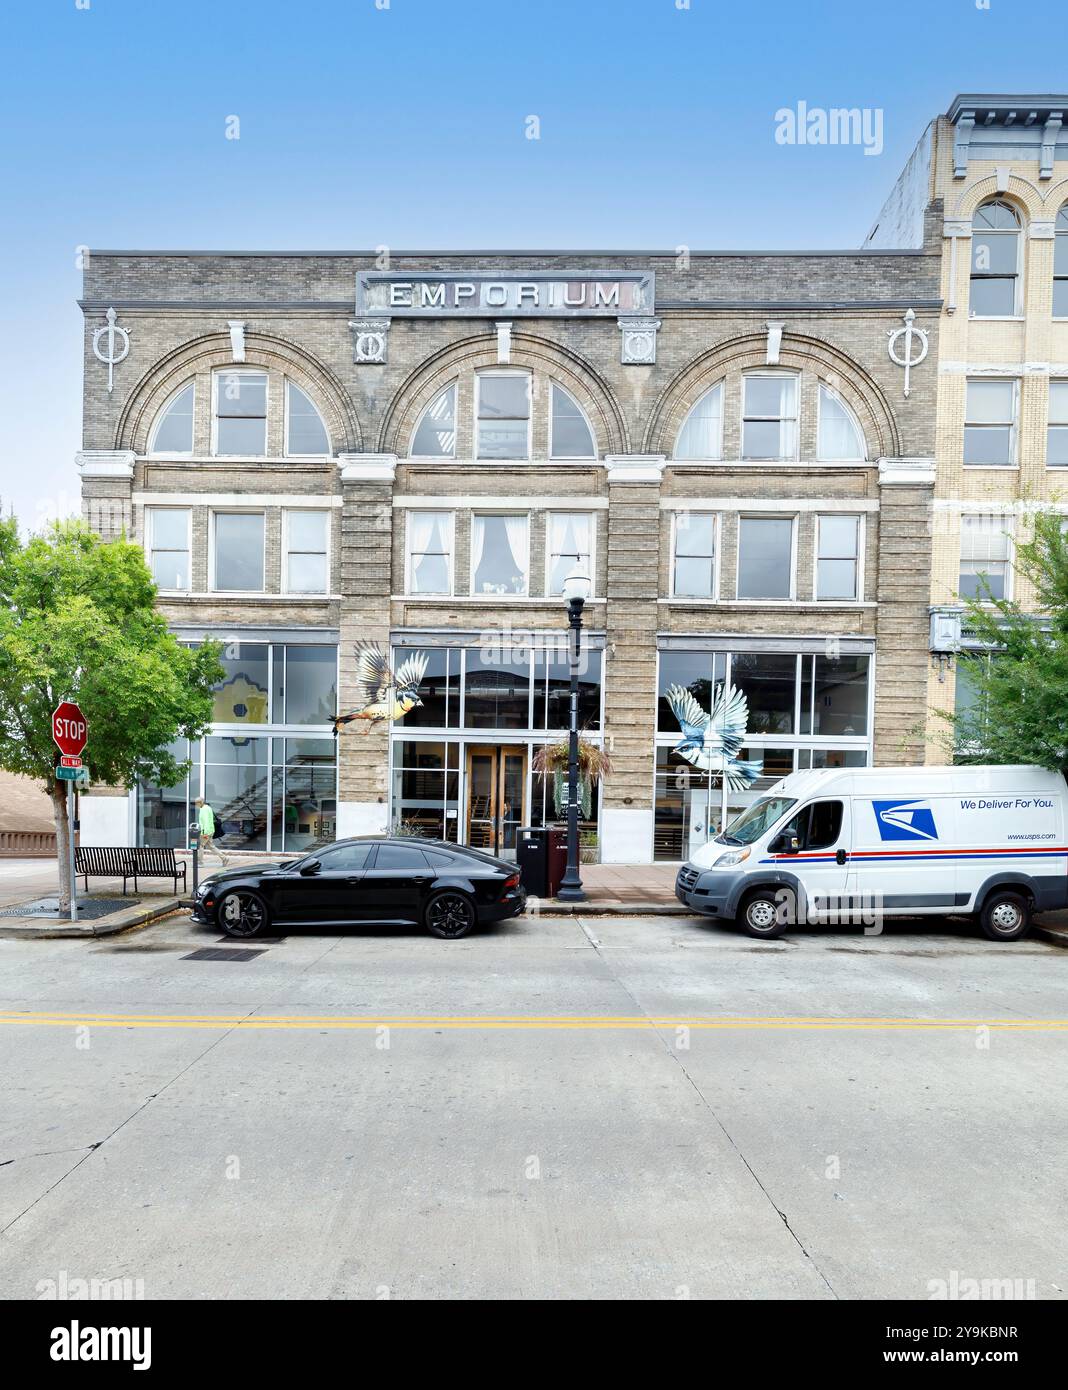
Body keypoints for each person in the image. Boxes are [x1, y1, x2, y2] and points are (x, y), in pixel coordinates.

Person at [195, 797, 226, 865]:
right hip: (211, 830)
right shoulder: (208, 807)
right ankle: (224, 858)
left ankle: (199, 861)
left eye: (196, 803)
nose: (196, 805)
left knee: (201, 845)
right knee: (211, 846)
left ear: (200, 803)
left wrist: (204, 833)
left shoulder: (203, 809)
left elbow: (205, 821)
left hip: (206, 831)